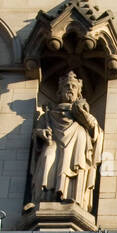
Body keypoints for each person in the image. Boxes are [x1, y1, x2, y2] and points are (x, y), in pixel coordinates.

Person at [30, 70, 102, 209]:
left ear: (79, 92)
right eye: (66, 86)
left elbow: (95, 129)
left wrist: (81, 113)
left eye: (73, 87)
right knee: (47, 157)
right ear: (59, 92)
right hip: (54, 142)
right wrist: (41, 133)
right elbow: (36, 132)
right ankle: (42, 198)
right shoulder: (48, 115)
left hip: (76, 140)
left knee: (75, 165)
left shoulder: (82, 110)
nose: (70, 89)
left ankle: (73, 197)